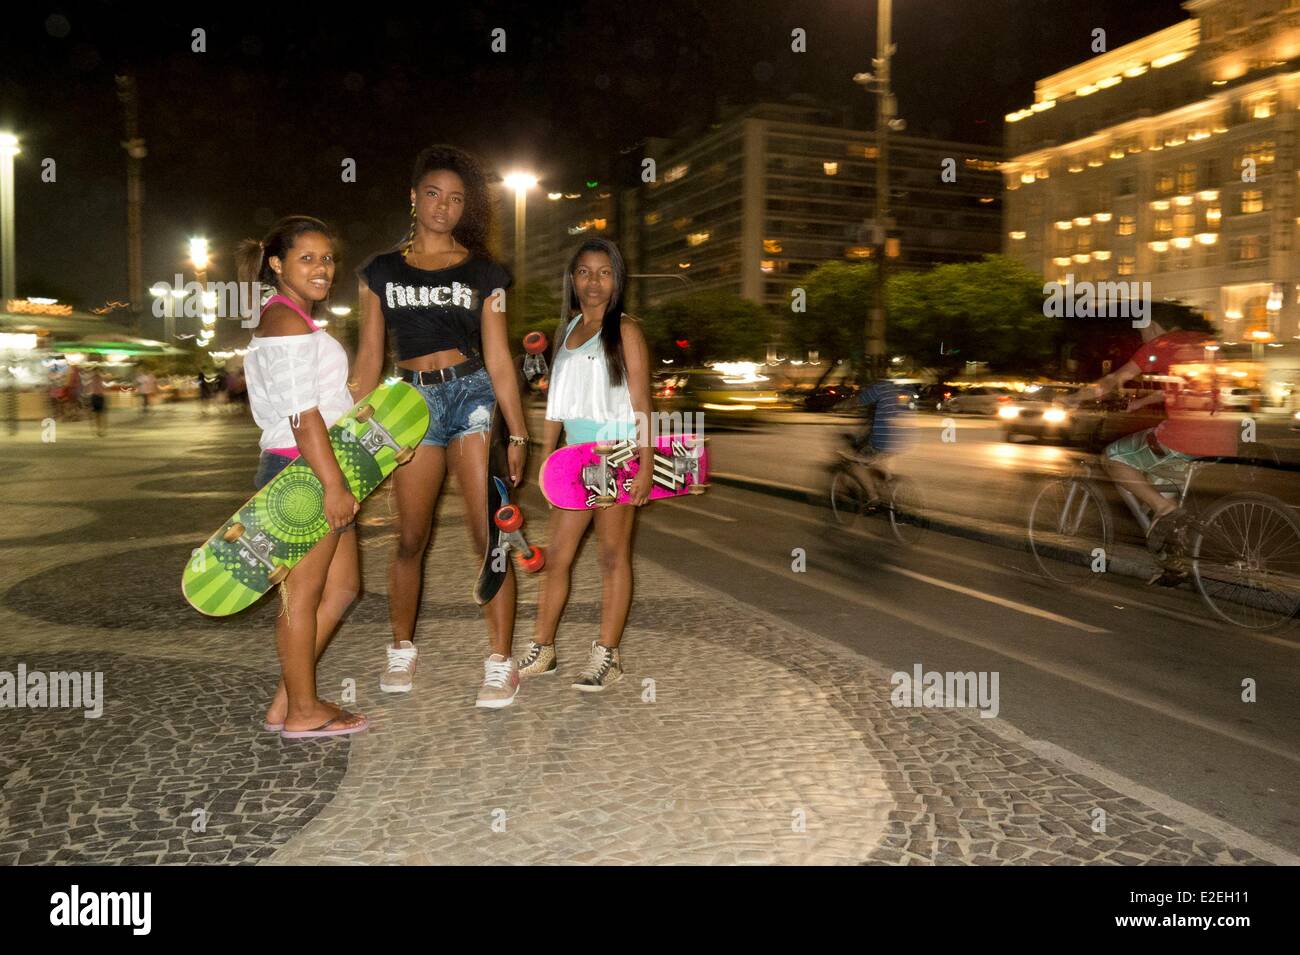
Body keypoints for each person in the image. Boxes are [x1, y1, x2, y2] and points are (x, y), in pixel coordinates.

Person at [353, 145, 529, 708]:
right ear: (413, 196)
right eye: (433, 194)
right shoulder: (379, 271)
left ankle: (501, 662)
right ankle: (401, 648)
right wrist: (354, 421)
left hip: (473, 395)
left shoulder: (485, 273)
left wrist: (519, 432)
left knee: (487, 534)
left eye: (456, 199)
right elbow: (368, 359)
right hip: (409, 405)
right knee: (410, 537)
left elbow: (500, 357)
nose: (443, 207)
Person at [237, 215, 367, 739]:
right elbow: (301, 414)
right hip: (302, 471)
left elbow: (326, 405)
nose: (322, 268)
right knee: (303, 598)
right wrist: (333, 485)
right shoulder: (286, 321)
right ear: (277, 264)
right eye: (307, 258)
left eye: (327, 258)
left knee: (343, 588)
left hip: (320, 463)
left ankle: (289, 700)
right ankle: (302, 712)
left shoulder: (295, 319)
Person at [513, 238, 654, 692]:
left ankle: (607, 654)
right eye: (584, 272)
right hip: (573, 459)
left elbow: (642, 401)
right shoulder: (568, 329)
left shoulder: (626, 330)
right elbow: (556, 404)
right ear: (572, 280)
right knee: (558, 559)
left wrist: (647, 462)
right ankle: (544, 648)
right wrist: (547, 460)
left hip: (615, 454)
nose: (594, 282)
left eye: (604, 272)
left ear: (617, 279)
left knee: (613, 558)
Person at [1062, 319, 1233, 569]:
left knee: (1113, 457)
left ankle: (1165, 510)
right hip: (1221, 437)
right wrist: (1139, 404)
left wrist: (1075, 398)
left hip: (1185, 437)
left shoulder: (1159, 344)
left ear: (1152, 325)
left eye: (1141, 331)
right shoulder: (1201, 341)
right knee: (1161, 482)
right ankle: (1174, 563)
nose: (1141, 339)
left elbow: (1114, 380)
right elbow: (1186, 387)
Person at [853, 378, 913, 506]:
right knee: (878, 462)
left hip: (882, 440)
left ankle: (873, 497)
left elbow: (857, 401)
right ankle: (888, 487)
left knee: (857, 464)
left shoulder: (878, 388)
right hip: (899, 439)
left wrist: (838, 405)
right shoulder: (895, 390)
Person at [87, 367, 107, 436]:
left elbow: (107, 378)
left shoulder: (102, 377)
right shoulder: (91, 378)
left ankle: (100, 430)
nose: (97, 372)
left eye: (98, 371)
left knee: (101, 414)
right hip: (94, 396)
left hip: (100, 396)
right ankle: (97, 430)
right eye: (95, 371)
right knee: (95, 415)